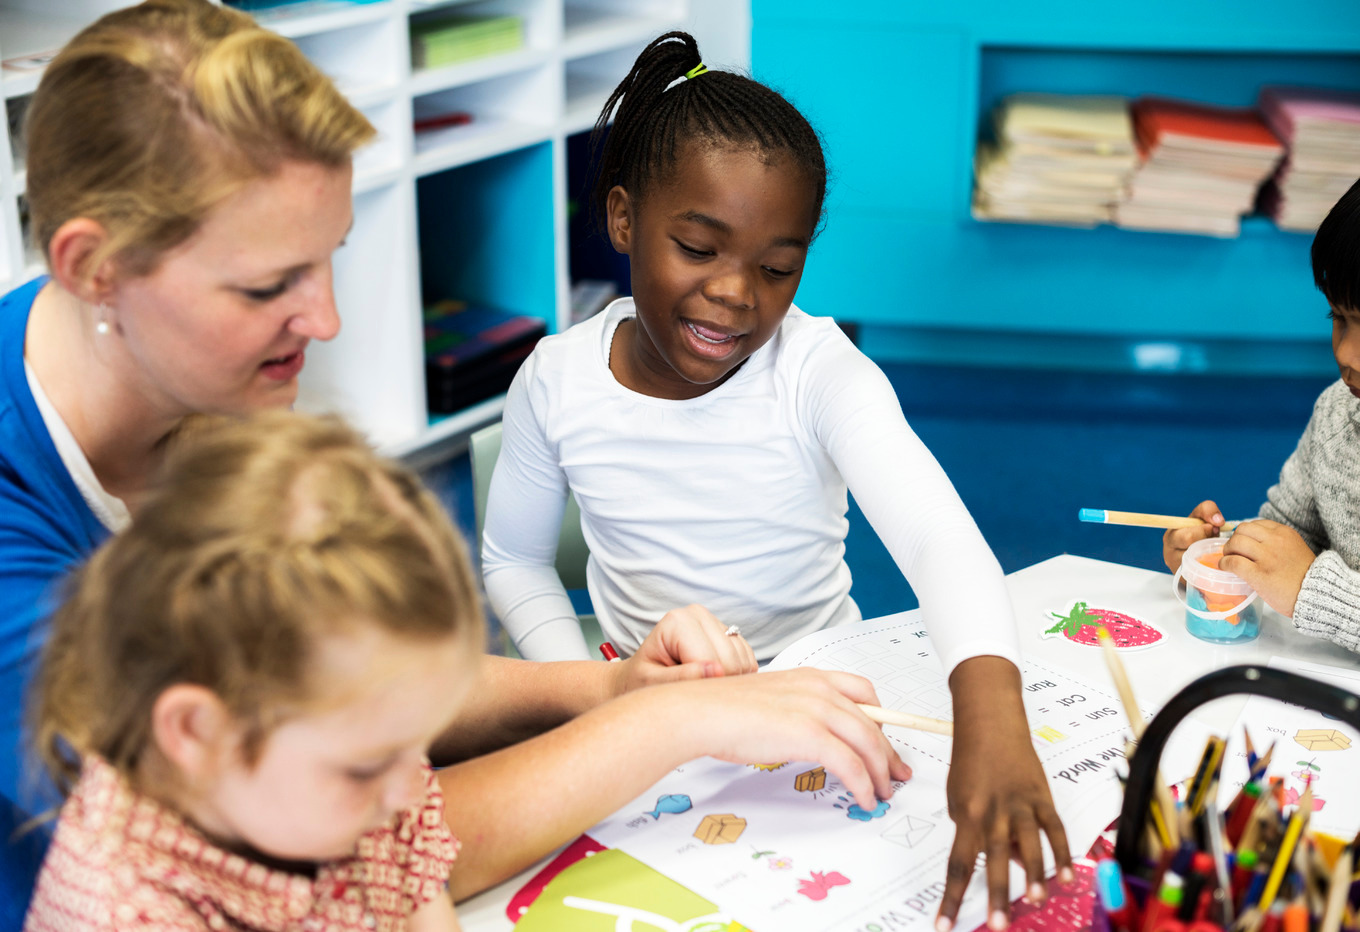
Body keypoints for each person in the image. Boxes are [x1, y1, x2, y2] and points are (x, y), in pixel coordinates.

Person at [0, 0, 764, 824]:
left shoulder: (189, 382)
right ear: (94, 267)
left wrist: (609, 686)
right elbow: (321, 853)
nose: (324, 322)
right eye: (266, 286)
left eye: (329, 256)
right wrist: (659, 724)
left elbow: (343, 676)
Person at [481, 31, 1072, 929]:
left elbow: (938, 539)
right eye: (698, 246)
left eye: (776, 267)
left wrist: (993, 715)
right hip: (648, 712)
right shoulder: (555, 380)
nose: (736, 294)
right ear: (623, 219)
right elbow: (515, 563)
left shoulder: (819, 370)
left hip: (819, 695)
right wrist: (585, 699)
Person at [23, 412, 907, 929]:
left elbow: (411, 875)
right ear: (195, 731)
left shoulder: (286, 781)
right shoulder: (125, 906)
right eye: (371, 763)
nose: (411, 792)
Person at [1164, 176, 1360, 652]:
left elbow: (1305, 581)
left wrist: (1313, 590)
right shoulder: (1339, 410)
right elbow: (1291, 539)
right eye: (1340, 318)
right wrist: (1220, 558)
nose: (1349, 354)